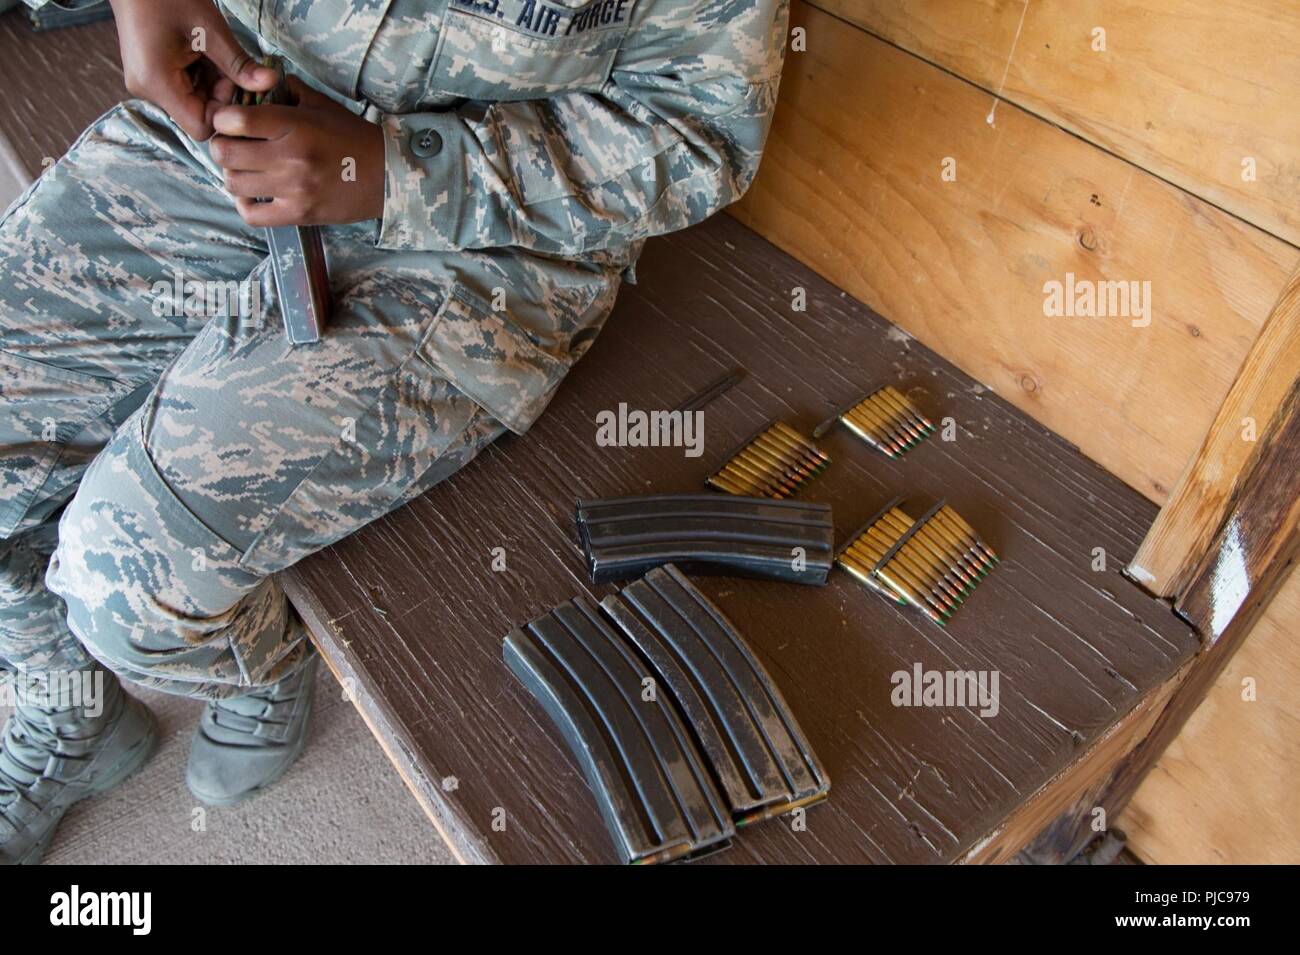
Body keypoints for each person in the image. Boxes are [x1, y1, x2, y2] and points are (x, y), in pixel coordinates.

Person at [0, 0, 789, 863]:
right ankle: (68, 708)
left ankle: (263, 662)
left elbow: (700, 129)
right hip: (227, 125)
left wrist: (396, 168)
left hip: (483, 242)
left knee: (126, 579)